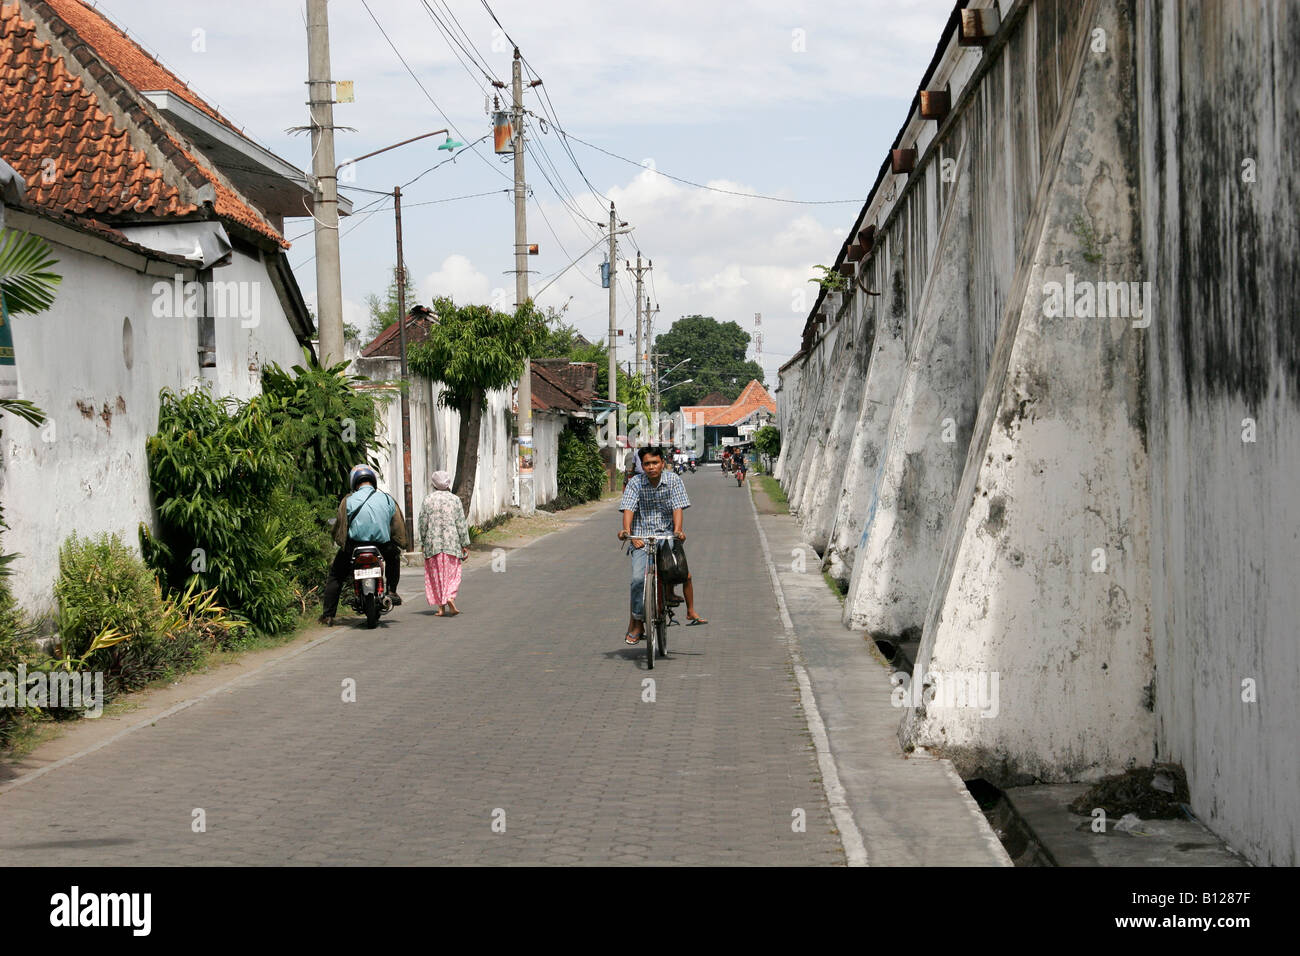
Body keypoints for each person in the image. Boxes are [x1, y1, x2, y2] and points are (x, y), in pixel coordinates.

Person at [617, 446, 707, 645]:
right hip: (641, 537)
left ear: (663, 463)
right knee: (638, 580)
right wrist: (628, 533)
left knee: (681, 572)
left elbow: (677, 507)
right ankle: (638, 622)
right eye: (647, 464)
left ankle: (685, 608)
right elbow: (628, 509)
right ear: (642, 466)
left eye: (655, 463)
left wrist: (678, 530)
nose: (651, 467)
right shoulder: (635, 484)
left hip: (666, 537)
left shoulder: (674, 480)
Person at [319, 464, 408, 626]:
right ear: (372, 481)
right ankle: (392, 590)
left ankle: (328, 616)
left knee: (336, 576)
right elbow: (397, 525)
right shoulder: (387, 499)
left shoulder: (347, 501)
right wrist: (399, 542)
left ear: (354, 482)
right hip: (381, 546)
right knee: (394, 557)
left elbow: (340, 527)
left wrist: (342, 544)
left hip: (354, 547)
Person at [417, 470, 470, 616]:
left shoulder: (428, 500)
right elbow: (461, 523)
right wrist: (464, 543)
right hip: (451, 544)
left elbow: (422, 523)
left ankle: (441, 608)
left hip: (432, 544)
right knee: (453, 574)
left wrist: (422, 541)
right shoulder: (454, 500)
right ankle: (450, 596)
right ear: (448, 483)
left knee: (436, 576)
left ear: (433, 484)